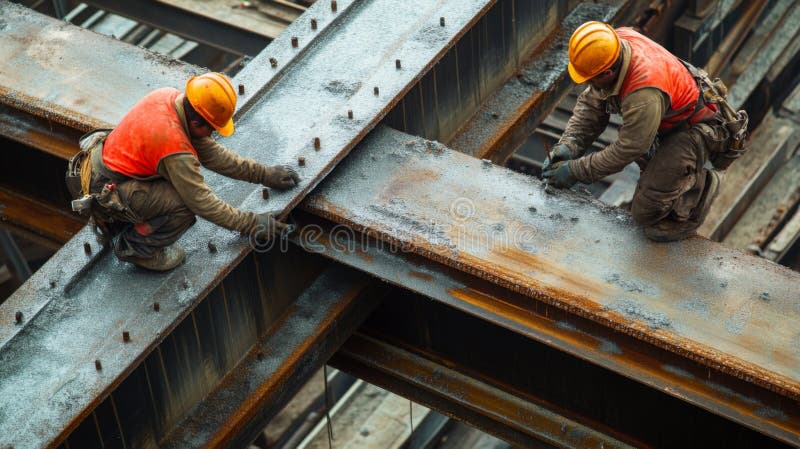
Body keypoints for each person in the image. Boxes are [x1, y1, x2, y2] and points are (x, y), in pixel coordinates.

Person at [66, 72, 300, 271]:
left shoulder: (169, 98)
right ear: (198, 124)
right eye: (212, 129)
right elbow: (202, 203)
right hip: (105, 192)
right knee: (183, 205)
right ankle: (137, 248)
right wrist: (252, 224)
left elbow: (213, 154)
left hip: (105, 172)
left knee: (180, 191)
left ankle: (135, 219)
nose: (213, 134)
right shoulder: (173, 146)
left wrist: (264, 174)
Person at [542, 22, 738, 242]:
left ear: (608, 72)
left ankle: (700, 188)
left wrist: (575, 171)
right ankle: (666, 176)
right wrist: (570, 144)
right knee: (647, 156)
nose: (587, 82)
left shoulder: (643, 94)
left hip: (695, 129)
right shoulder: (611, 46)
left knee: (646, 213)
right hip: (667, 121)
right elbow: (592, 103)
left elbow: (627, 149)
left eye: (591, 78)